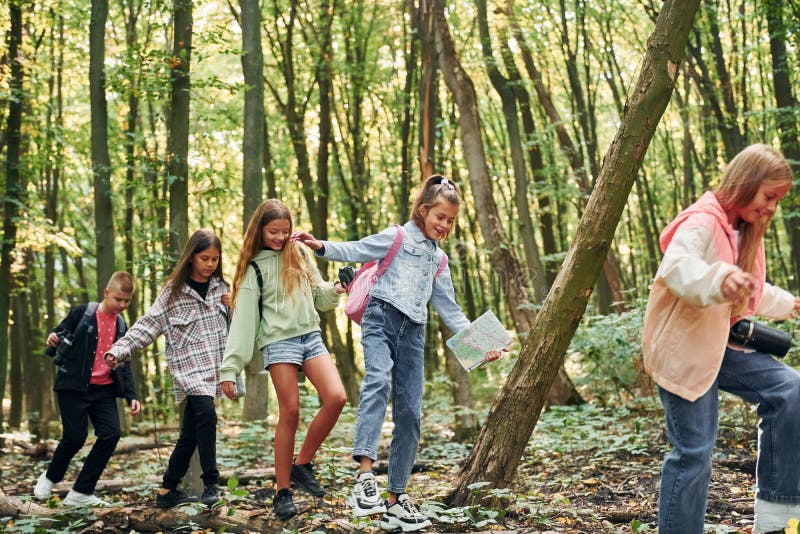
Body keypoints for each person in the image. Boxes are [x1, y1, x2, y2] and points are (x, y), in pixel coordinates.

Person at [292, 174, 503, 532]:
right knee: (377, 381)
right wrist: (320, 246)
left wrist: (484, 346)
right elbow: (358, 248)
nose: (444, 225)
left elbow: (450, 309)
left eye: (451, 220)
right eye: (440, 217)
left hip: (414, 331)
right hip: (381, 317)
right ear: (423, 211)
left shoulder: (439, 260)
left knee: (410, 410)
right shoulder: (398, 236)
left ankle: (396, 498)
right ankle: (364, 477)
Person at [641, 144, 800, 534]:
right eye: (769, 197)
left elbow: (751, 291)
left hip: (723, 346)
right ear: (746, 183)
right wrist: (718, 278)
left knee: (790, 390)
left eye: (778, 201)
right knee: (694, 454)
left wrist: (789, 303)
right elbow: (678, 269)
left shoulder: (743, 232)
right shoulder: (702, 221)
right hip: (686, 351)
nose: (771, 208)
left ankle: (776, 517)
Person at [219, 199, 347, 521]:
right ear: (260, 230)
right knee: (290, 410)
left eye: (285, 231)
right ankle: (282, 491)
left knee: (336, 397)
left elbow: (320, 297)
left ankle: (302, 464)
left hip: (310, 334)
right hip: (278, 340)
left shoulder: (300, 252)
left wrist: (339, 287)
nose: (279, 237)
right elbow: (244, 323)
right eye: (273, 231)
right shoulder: (254, 269)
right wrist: (230, 369)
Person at [104, 229, 231, 509]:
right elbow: (147, 326)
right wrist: (118, 350)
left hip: (214, 371)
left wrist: (233, 308)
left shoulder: (223, 289)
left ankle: (167, 490)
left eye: (215, 259)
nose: (210, 264)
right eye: (204, 258)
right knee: (207, 416)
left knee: (190, 434)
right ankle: (211, 483)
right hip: (188, 372)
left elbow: (240, 329)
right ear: (191, 258)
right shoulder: (172, 294)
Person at [34, 271, 141, 507]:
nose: (121, 305)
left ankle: (81, 492)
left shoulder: (122, 325)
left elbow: (124, 362)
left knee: (111, 433)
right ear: (106, 293)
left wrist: (132, 395)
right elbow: (58, 337)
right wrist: (52, 338)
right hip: (73, 387)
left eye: (126, 301)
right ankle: (50, 477)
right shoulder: (82, 313)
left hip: (103, 390)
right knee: (75, 437)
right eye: (117, 300)